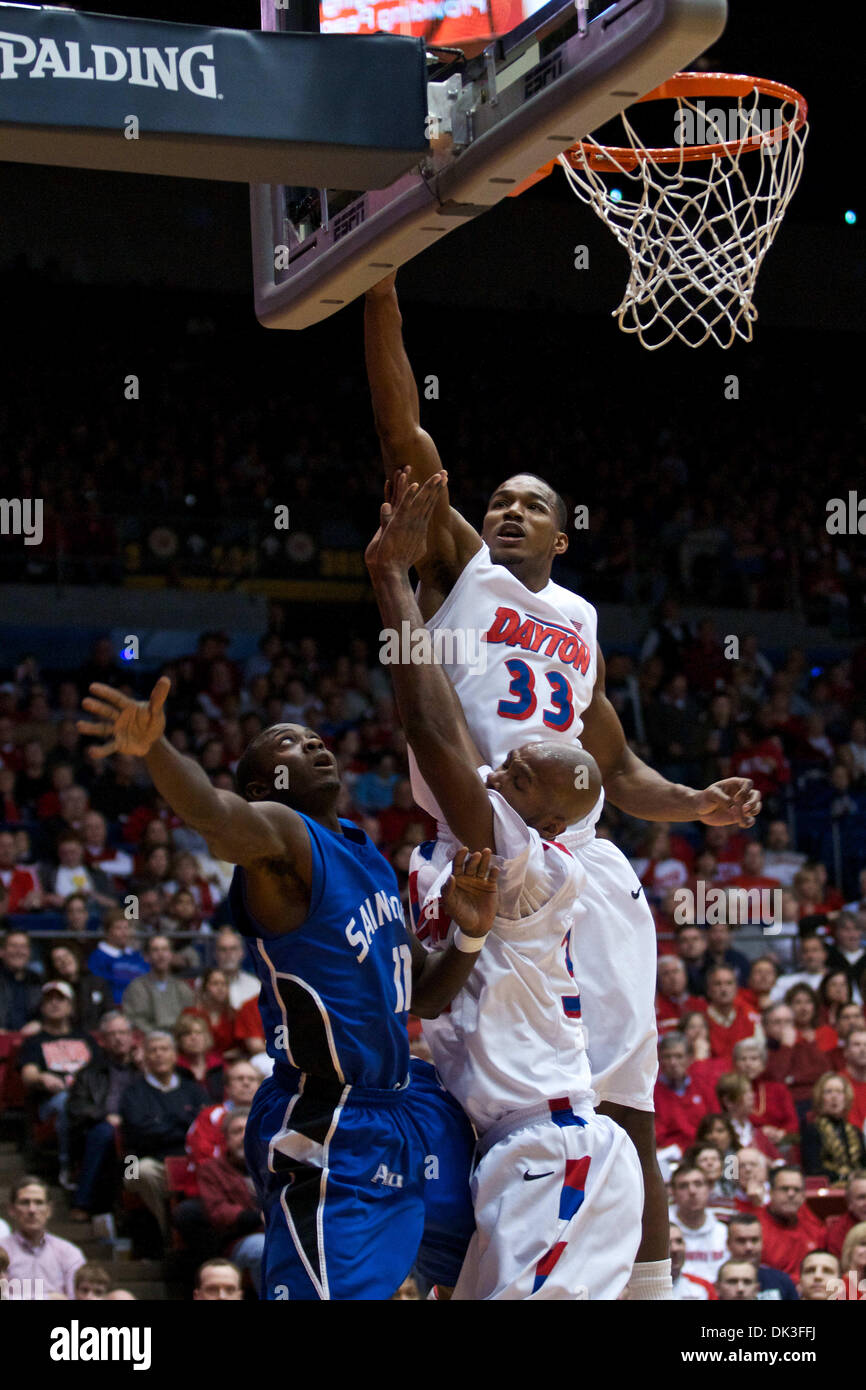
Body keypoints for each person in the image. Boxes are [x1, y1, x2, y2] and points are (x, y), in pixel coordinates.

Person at [365, 274, 761, 1301]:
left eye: (530, 505)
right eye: (497, 498)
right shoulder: (463, 569)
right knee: (474, 1067)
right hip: (482, 831)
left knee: (613, 1082)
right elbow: (404, 431)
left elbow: (620, 769)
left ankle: (651, 1284)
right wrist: (380, 293)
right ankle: (466, 1248)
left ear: (561, 536)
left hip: (571, 856)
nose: (506, 510)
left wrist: (696, 804)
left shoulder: (579, 622)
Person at [79, 671, 493, 1301]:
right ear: (259, 784)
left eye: (313, 737)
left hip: (406, 1104)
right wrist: (157, 750)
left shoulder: (366, 853)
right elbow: (213, 815)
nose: (313, 744)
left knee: (498, 1268)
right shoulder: (279, 837)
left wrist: (469, 934)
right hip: (329, 1120)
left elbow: (426, 997)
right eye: (289, 744)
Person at [367, 474, 643, 1300]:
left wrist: (390, 583)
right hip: (488, 1138)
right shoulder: (448, 855)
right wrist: (470, 939)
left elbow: (425, 719)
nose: (504, 761)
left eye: (519, 772)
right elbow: (422, 999)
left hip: (552, 1148)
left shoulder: (513, 849)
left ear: (548, 818)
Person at [120, 1030, 210, 1251]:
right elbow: (139, 1134)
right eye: (153, 1050)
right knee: (141, 1171)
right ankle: (169, 1234)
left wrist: (163, 1124)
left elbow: (204, 1127)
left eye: (164, 1049)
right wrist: (182, 1122)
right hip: (144, 1161)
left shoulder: (194, 1090)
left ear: (174, 1055)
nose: (159, 1055)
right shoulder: (133, 1093)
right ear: (145, 1057)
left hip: (190, 1162)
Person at [17, 981, 97, 1185]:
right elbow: (28, 1074)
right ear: (42, 1007)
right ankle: (68, 1166)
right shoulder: (34, 1042)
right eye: (48, 1000)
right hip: (53, 1102)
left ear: (70, 1006)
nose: (54, 1004)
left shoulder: (85, 1038)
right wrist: (42, 1077)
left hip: (89, 1097)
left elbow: (102, 1071)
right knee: (66, 1103)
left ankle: (124, 1172)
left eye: (60, 999)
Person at [66, 1010, 138, 1221]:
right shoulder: (89, 1073)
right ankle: (83, 1201)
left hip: (136, 1130)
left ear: (132, 1037)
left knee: (134, 1145)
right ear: (103, 1041)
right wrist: (105, 1116)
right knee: (105, 1134)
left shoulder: (142, 1069)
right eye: (113, 1034)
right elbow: (76, 1107)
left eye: (123, 1033)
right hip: (100, 1127)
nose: (119, 1038)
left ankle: (132, 1200)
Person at [197, 1109, 264, 1296]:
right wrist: (257, 1217)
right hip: (238, 1241)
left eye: (249, 1130)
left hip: (280, 1233)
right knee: (262, 1248)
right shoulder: (212, 1170)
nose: (243, 1136)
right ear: (225, 1138)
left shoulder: (273, 1167)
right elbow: (217, 1212)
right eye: (237, 1131)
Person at [3, 1176, 85, 1298]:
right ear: (12, 1209)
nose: (32, 1210)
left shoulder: (68, 1252)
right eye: (25, 1202)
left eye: (39, 1202)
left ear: (49, 1210)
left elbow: (79, 1296)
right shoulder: (2, 1250)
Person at [758, 1166, 828, 1277]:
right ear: (771, 1192)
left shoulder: (815, 1227)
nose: (791, 1194)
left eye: (797, 1190)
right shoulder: (756, 1227)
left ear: (803, 1195)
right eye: (784, 1189)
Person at [800, 1073, 866, 1183]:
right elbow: (813, 1170)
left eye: (839, 1092)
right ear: (820, 1098)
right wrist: (844, 1177)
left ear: (846, 1098)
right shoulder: (812, 1130)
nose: (834, 1097)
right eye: (828, 1092)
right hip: (829, 1189)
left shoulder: (855, 1131)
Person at [121, 934, 195, 1032]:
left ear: (171, 955)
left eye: (165, 949)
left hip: (179, 1040)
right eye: (155, 950)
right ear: (146, 956)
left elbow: (190, 1016)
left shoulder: (183, 987)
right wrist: (157, 1036)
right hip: (150, 1041)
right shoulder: (136, 987)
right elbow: (134, 1019)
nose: (161, 954)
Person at [669, 1166, 728, 1283]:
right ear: (673, 1192)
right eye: (683, 1186)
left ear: (709, 1189)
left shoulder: (722, 1231)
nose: (692, 1191)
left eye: (698, 1184)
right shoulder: (660, 1230)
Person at [725, 1213, 798, 1300]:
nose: (749, 1247)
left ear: (762, 1242)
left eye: (754, 1240)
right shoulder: (718, 1281)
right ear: (728, 1244)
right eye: (741, 1240)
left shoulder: (782, 1281)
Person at [86, 911, 149, 1006]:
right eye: (118, 928)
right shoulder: (97, 957)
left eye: (126, 928)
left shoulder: (137, 956)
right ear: (107, 932)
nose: (124, 933)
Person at [0, 930, 42, 1032]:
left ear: (29, 952)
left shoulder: (38, 980)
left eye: (23, 947)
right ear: (2, 951)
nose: (19, 951)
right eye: (13, 946)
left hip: (31, 1040)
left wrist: (40, 1023)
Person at [213, 928, 259, 1009]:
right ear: (215, 953)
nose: (228, 954)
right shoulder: (203, 984)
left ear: (242, 953)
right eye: (223, 949)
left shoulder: (255, 985)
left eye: (233, 949)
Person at [668, 1223, 715, 1300]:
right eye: (667, 1243)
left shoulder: (703, 1287)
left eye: (679, 1241)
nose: (675, 1249)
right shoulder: (643, 1286)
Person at [826, 1170, 866, 1258]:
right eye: (861, 1197)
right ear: (849, 1202)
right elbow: (847, 1268)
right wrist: (854, 1271)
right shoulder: (839, 1232)